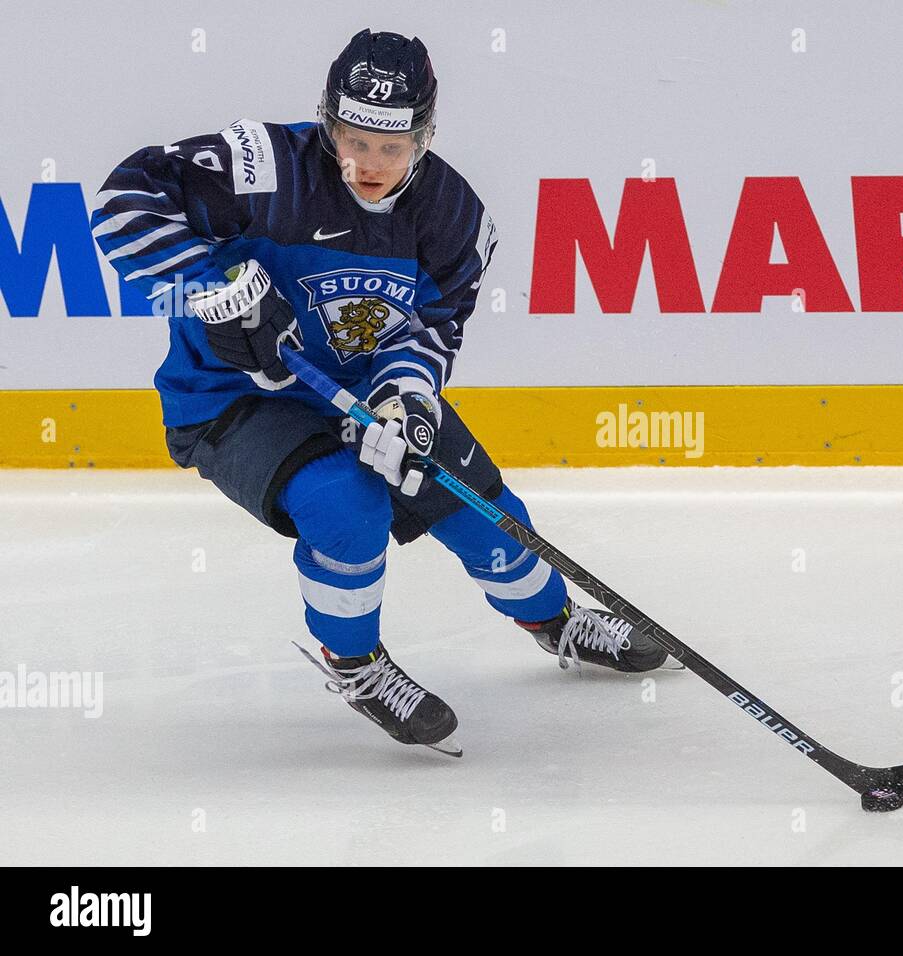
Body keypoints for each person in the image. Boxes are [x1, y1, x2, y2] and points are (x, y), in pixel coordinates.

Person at [92, 28, 671, 756]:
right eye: (353, 140)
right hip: (233, 398)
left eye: (391, 147)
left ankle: (553, 620)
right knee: (345, 504)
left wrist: (407, 402)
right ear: (327, 121)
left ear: (425, 137)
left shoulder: (455, 218)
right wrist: (209, 287)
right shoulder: (265, 165)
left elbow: (433, 329)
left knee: (484, 511)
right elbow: (124, 198)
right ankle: (355, 662)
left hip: (364, 391)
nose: (369, 164)